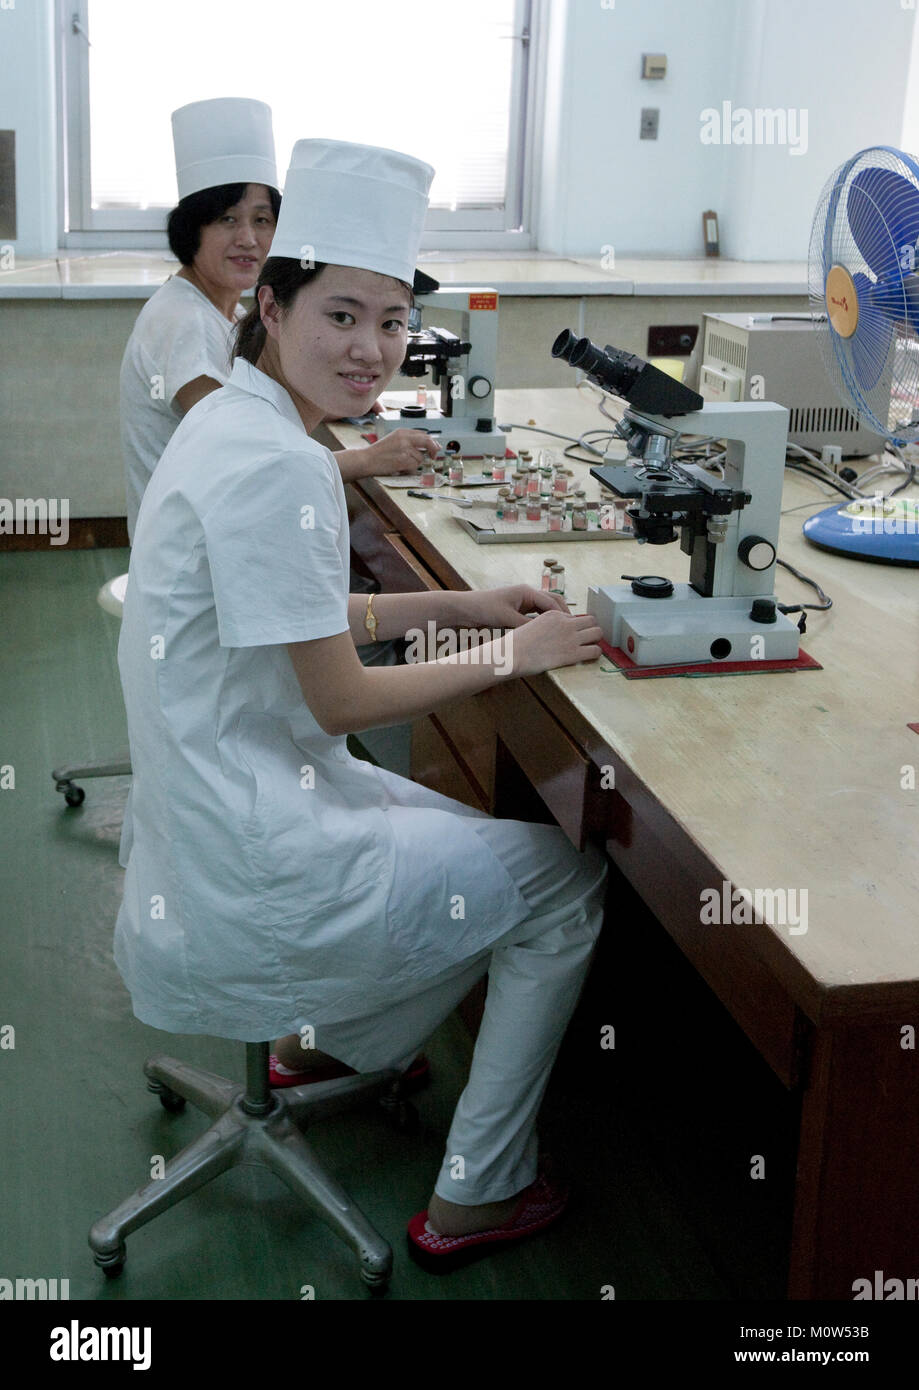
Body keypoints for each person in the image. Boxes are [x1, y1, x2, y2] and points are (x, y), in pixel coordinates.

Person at [114, 139, 607, 1269]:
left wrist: (464, 603)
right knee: (564, 879)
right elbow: (337, 696)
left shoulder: (232, 421)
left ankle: (329, 1045)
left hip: (210, 813)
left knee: (471, 839)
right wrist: (514, 653)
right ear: (271, 306)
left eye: (390, 322)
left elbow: (294, 615)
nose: (369, 349)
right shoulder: (281, 461)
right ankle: (479, 1191)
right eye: (340, 315)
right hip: (261, 850)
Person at [120, 99, 438, 541]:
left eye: (263, 220)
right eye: (226, 219)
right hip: (196, 536)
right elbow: (243, 458)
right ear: (190, 228)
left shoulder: (226, 309)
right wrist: (370, 458)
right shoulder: (184, 319)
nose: (248, 239)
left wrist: (343, 389)